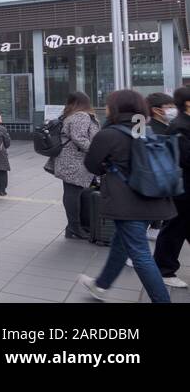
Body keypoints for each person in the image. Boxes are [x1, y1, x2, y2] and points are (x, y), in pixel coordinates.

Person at [78, 90, 175, 303]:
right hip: (152, 198)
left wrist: (108, 164)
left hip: (127, 203)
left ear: (115, 108)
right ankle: (101, 286)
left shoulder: (109, 134)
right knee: (121, 243)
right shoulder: (144, 129)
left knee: (140, 255)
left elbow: (91, 164)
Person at [49, 91, 100, 240]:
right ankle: (74, 228)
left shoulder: (72, 115)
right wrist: (96, 151)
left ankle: (74, 227)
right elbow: (79, 138)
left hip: (71, 160)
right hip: (74, 161)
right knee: (73, 194)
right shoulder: (81, 116)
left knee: (74, 193)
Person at [153, 85, 190, 289]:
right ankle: (164, 269)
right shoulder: (180, 125)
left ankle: (165, 267)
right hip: (182, 187)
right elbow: (185, 157)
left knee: (179, 227)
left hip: (185, 187)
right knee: (175, 228)